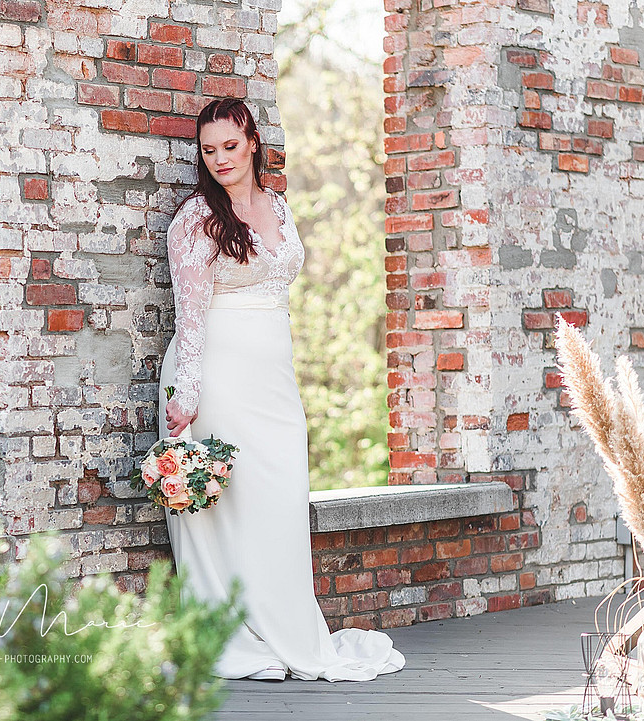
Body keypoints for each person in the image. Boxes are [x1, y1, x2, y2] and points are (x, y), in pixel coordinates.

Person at [157, 98, 406, 682]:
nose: (220, 158)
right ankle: (235, 639)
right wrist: (185, 395)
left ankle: (286, 628)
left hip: (272, 383)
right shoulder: (195, 219)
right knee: (222, 510)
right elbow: (189, 315)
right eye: (209, 149)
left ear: (252, 144)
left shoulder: (278, 207)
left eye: (230, 146)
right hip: (214, 379)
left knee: (279, 503)